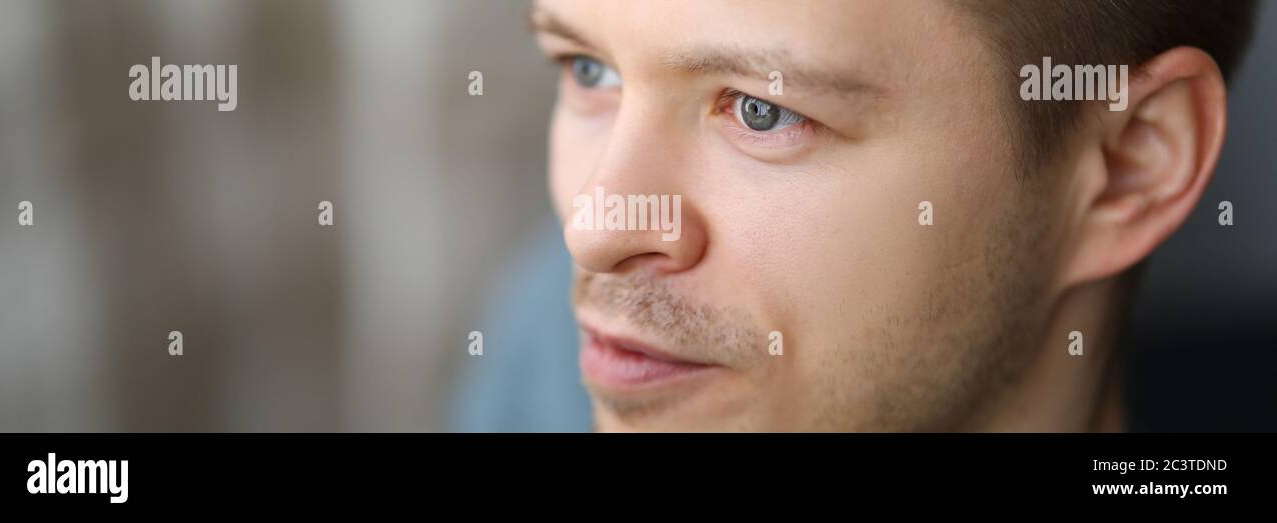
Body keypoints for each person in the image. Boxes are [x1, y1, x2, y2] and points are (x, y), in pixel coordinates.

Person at [528, 0, 1259, 431]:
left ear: (1135, 167)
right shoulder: (536, 356)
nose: (593, 231)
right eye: (589, 70)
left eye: (764, 110)